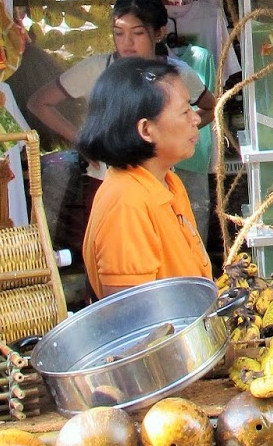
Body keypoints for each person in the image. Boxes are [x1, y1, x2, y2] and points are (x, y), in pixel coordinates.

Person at [28, 0, 216, 239]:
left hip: (163, 184)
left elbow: (212, 107)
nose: (127, 42)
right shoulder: (96, 69)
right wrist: (83, 141)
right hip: (107, 185)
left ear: (158, 33)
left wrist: (175, 133)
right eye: (119, 33)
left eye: (137, 33)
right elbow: (39, 102)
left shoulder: (176, 73)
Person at [78, 58, 212, 297]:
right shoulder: (126, 203)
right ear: (146, 130)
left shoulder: (168, 181)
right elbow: (134, 320)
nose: (196, 118)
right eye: (184, 111)